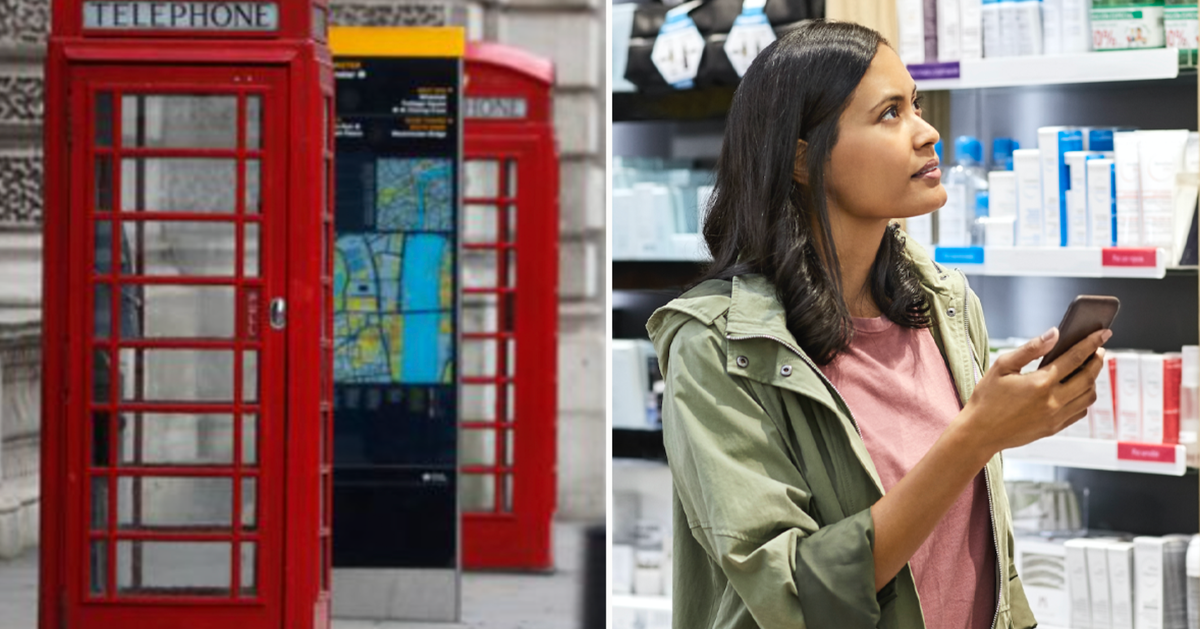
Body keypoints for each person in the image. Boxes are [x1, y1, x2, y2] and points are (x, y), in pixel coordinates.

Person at [645, 20, 1108, 629]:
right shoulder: (717, 345)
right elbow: (793, 594)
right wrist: (976, 437)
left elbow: (981, 557)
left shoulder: (944, 301)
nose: (928, 132)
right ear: (802, 157)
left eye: (915, 104)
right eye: (890, 113)